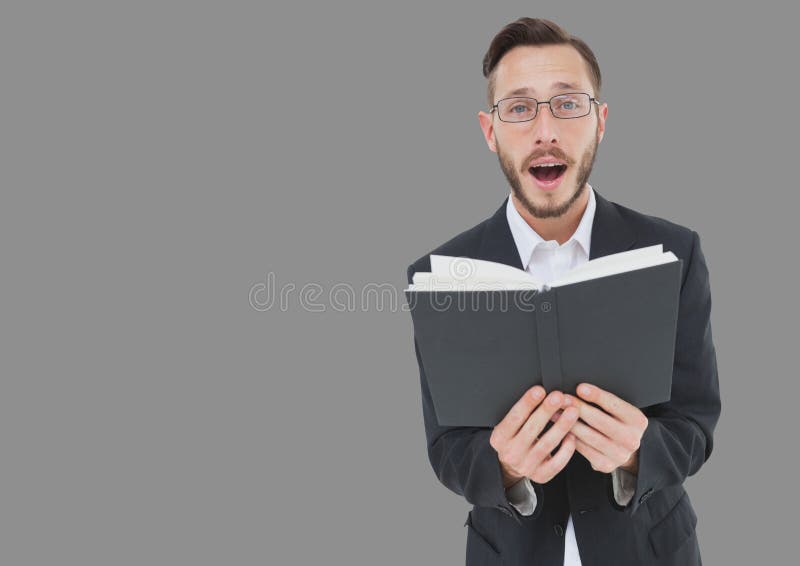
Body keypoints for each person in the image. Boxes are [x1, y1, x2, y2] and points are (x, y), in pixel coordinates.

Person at [406, 17, 720, 566]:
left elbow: (695, 422)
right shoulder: (440, 275)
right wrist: (504, 467)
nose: (545, 130)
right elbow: (446, 447)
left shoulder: (675, 252)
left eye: (567, 103)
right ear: (490, 131)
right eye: (520, 107)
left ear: (600, 122)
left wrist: (636, 453)